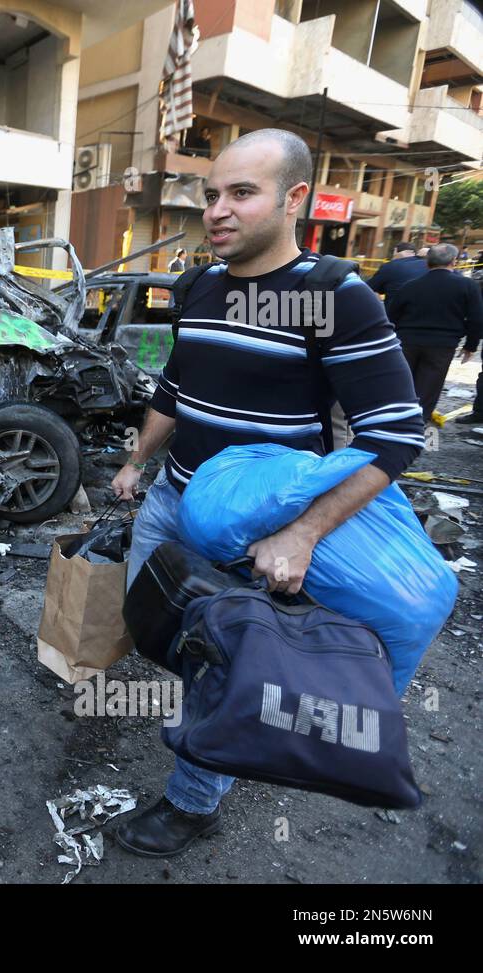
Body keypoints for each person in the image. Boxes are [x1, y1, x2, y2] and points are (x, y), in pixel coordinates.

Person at [109, 128, 423, 858]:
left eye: (241, 193)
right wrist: (137, 462)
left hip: (250, 533)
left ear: (294, 199)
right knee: (164, 635)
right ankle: (209, 724)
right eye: (211, 193)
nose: (217, 209)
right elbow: (176, 387)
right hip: (171, 504)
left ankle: (193, 800)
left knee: (225, 666)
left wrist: (303, 533)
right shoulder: (200, 286)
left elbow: (396, 432)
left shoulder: (334, 297)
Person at [386, 243, 483, 422]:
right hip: (442, 345)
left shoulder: (410, 286)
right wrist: (471, 346)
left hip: (408, 341)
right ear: (454, 262)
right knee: (429, 387)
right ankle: (417, 424)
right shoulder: (466, 285)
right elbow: (476, 318)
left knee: (402, 384)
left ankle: (396, 421)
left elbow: (392, 316)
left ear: (427, 263)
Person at [366, 241, 428, 313]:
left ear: (397, 252)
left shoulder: (391, 266)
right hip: (424, 315)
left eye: (394, 254)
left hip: (396, 316)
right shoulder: (427, 264)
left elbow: (368, 288)